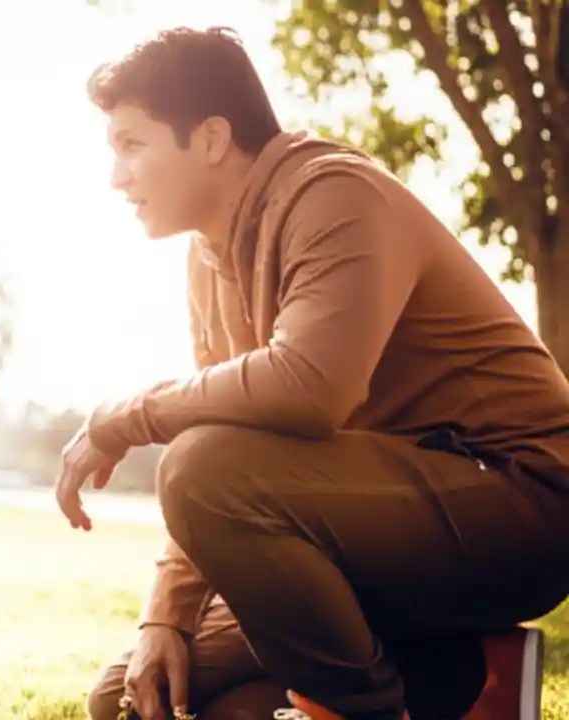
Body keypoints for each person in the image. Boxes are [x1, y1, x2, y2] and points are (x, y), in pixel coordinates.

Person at [55, 26, 569, 720]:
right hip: (370, 520)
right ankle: (469, 679)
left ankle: (373, 710)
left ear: (211, 139)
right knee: (132, 700)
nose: (117, 177)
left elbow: (310, 388)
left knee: (200, 466)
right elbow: (229, 429)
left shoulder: (335, 195)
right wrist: (165, 618)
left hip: (522, 506)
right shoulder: (210, 255)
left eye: (132, 145)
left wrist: (126, 417)